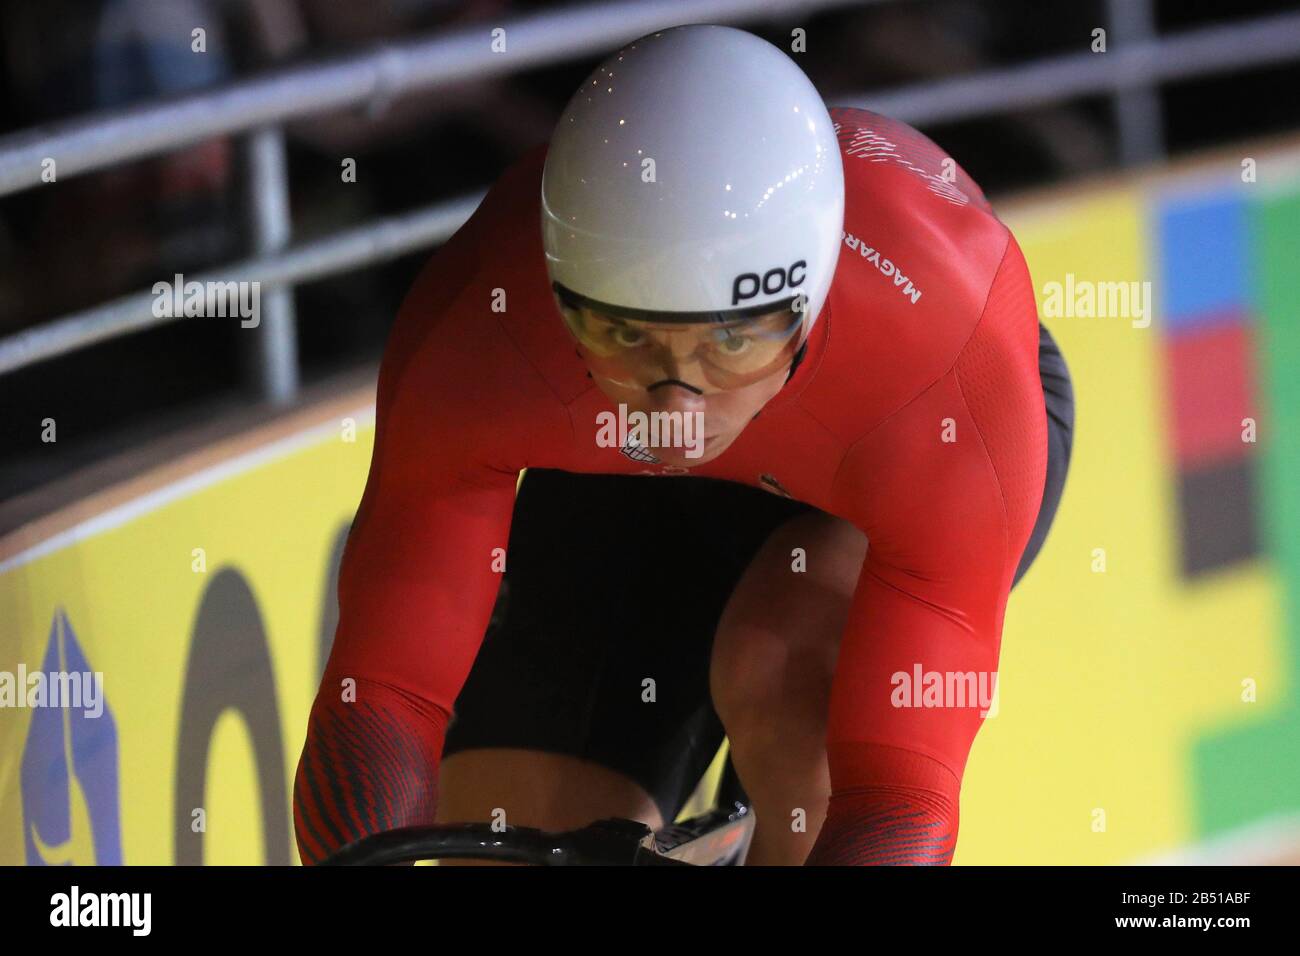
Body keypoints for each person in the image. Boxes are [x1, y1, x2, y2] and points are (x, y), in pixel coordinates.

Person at [293, 24, 1073, 866]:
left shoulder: (946, 364)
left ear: (808, 303)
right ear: (559, 288)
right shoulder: (482, 316)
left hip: (886, 454)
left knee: (783, 663)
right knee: (502, 843)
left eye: (729, 342)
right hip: (627, 477)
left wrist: (618, 360)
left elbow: (898, 802)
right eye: (626, 336)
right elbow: (383, 697)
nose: (678, 408)